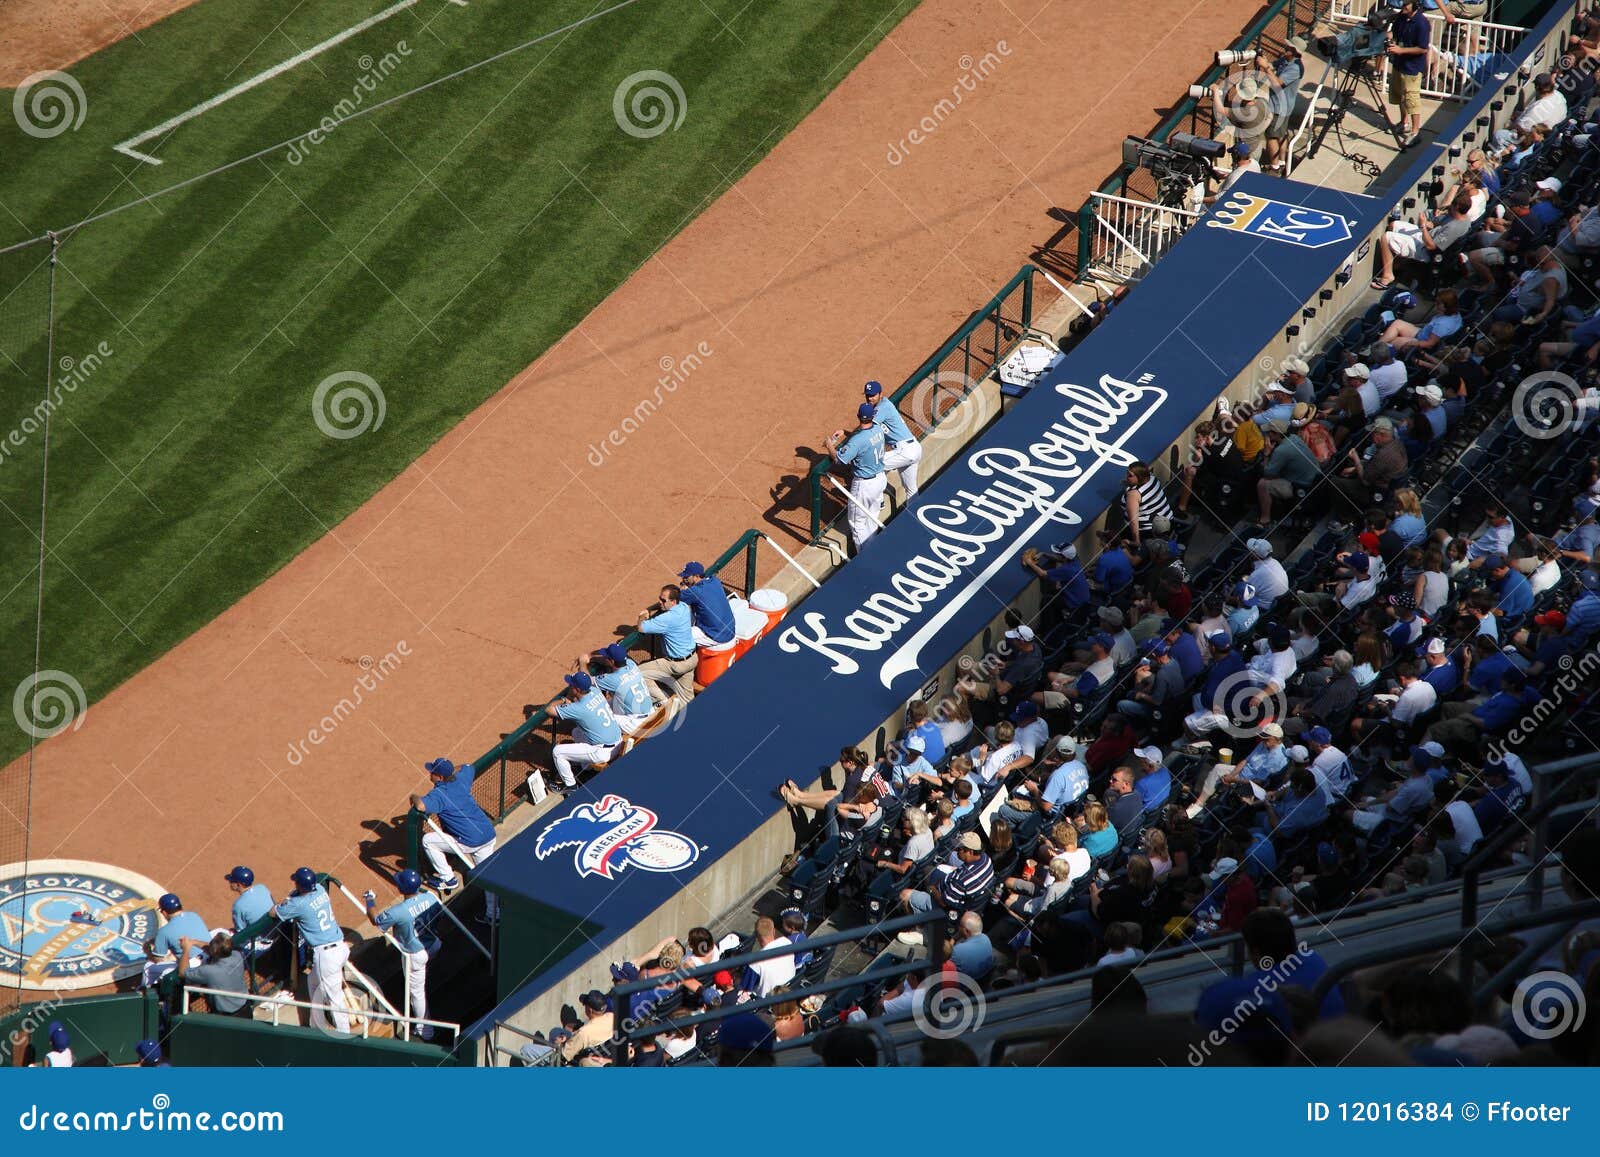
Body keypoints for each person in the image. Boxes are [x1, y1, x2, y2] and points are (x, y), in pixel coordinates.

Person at [411, 758, 499, 923]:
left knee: (428, 840)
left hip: (468, 842)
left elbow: (421, 806)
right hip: (488, 835)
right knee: (488, 878)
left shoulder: (439, 795)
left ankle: (447, 878)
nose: (430, 773)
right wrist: (451, 770)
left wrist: (414, 796)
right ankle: (493, 915)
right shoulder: (461, 779)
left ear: (441, 778)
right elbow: (467, 766)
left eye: (433, 772)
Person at [366, 868, 441, 1040]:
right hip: (433, 944)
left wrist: (369, 899)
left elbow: (375, 919)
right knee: (423, 970)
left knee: (417, 994)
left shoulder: (398, 911)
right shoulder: (430, 897)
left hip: (416, 955)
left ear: (401, 888)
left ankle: (425, 1031)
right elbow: (439, 916)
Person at [275, 866, 350, 1034]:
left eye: (296, 882)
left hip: (327, 955)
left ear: (300, 886)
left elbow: (274, 912)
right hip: (341, 947)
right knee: (313, 983)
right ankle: (315, 1026)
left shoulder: (297, 904)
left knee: (335, 1000)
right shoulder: (321, 890)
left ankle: (345, 1037)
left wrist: (287, 900)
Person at [1372, 194, 1474, 290]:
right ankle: (1396, 266)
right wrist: (1431, 219)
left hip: (1427, 251)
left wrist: (1423, 226)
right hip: (1425, 236)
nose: (1450, 206)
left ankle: (1387, 277)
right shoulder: (1458, 216)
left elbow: (1431, 246)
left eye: (1452, 204)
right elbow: (1433, 224)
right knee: (1394, 225)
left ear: (1456, 207)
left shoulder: (1455, 228)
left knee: (1386, 237)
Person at [825, 401, 888, 550]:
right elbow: (864, 437)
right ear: (872, 417)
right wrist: (846, 433)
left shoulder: (857, 440)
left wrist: (829, 445)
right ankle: (873, 549)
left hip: (864, 486)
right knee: (872, 518)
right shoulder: (878, 429)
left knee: (857, 524)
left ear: (858, 416)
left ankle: (866, 559)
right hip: (880, 479)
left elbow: (838, 459)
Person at [547, 671, 622, 790]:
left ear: (576, 689)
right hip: (619, 742)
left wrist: (564, 699)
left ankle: (571, 786)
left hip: (603, 752)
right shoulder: (596, 692)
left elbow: (549, 710)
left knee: (558, 752)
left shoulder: (578, 708)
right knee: (577, 732)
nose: (569, 686)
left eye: (571, 685)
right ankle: (586, 768)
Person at [899, 831, 994, 918]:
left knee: (904, 895)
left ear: (970, 852)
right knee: (928, 870)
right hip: (953, 888)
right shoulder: (986, 859)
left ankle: (918, 925)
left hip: (947, 908)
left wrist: (932, 889)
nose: (956, 850)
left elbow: (943, 902)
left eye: (959, 849)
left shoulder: (962, 881)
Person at [636, 584, 697, 704]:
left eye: (663, 600)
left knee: (638, 674)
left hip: (675, 664)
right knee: (687, 699)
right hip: (692, 659)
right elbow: (663, 606)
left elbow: (641, 628)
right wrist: (651, 608)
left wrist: (642, 616)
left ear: (673, 601)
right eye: (660, 598)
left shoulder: (667, 618)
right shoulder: (683, 607)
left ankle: (663, 701)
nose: (659, 602)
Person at [1386, 0, 1431, 148]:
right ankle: (1403, 122)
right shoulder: (1402, 17)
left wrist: (1401, 50)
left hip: (1413, 67)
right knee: (1399, 95)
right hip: (1400, 64)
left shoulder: (1422, 23)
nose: (1403, 7)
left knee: (1412, 99)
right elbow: (1395, 33)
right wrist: (1386, 35)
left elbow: (1423, 48)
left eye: (1406, 4)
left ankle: (1415, 132)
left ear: (1415, 6)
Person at [864, 379, 921, 497]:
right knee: (911, 490)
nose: (869, 398)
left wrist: (847, 437)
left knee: (874, 465)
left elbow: (867, 429)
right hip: (912, 449)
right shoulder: (883, 405)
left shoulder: (882, 407)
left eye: (873, 395)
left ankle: (879, 500)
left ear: (881, 394)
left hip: (905, 450)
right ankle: (911, 514)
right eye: (868, 395)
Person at [177, 932, 251, 1016]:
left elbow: (182, 972)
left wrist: (186, 949)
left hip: (227, 1018)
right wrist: (193, 942)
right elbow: (214, 950)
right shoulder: (237, 955)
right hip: (246, 1010)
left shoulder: (209, 971)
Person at [589, 642, 653, 733]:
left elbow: (586, 683)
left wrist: (583, 661)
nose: (604, 659)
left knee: (595, 714)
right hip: (651, 712)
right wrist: (594, 658)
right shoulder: (631, 664)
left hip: (635, 723)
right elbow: (611, 663)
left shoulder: (612, 679)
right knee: (610, 701)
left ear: (612, 661)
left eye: (606, 657)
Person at [675, 560, 735, 646]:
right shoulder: (715, 581)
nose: (684, 579)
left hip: (717, 637)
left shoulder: (695, 592)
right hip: (730, 630)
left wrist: (683, 589)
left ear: (696, 576)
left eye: (687, 576)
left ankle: (686, 657)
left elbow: (672, 599)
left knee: (677, 635)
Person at [151, 893, 210, 964]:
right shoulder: (193, 915)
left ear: (164, 913)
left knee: (150, 967)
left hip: (194, 968)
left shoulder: (163, 932)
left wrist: (149, 951)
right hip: (213, 954)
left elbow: (158, 960)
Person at [562, 990, 614, 1065]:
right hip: (609, 1058)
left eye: (585, 1005)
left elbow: (564, 1057)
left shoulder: (584, 1033)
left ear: (590, 1010)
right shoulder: (612, 1016)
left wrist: (563, 1042)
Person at [223, 866, 274, 936]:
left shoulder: (238, 905)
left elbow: (241, 932)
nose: (230, 882)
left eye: (231, 881)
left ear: (238, 884)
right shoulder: (262, 887)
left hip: (261, 941)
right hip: (276, 930)